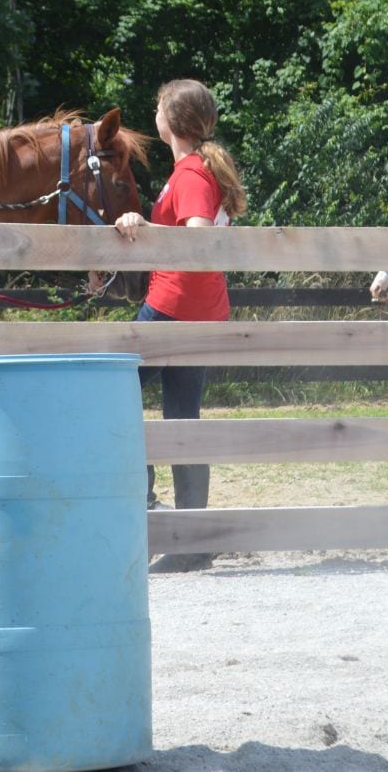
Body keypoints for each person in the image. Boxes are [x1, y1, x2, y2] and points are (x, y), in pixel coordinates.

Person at [114, 78, 248, 573]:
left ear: (169, 119)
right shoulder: (197, 168)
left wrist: (146, 229)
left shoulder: (190, 172)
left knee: (112, 393)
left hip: (174, 304)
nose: (154, 114)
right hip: (199, 307)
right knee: (182, 419)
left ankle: (146, 505)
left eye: (156, 107)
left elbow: (196, 238)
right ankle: (191, 541)